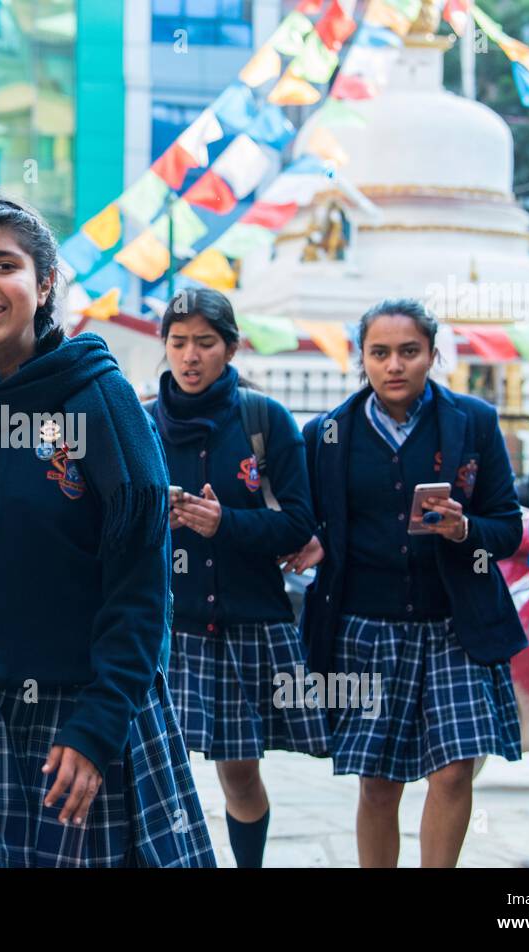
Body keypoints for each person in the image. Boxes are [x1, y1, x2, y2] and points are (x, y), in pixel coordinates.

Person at [0, 193, 215, 867]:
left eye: (5, 264)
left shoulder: (101, 402)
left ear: (46, 280)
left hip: (80, 727)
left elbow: (141, 589)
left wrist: (98, 727)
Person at [286, 298, 526, 868]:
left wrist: (467, 528)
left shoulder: (475, 423)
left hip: (456, 624)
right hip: (364, 629)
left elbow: (509, 527)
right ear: (361, 359)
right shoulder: (326, 434)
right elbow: (310, 525)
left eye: (410, 352)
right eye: (381, 353)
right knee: (377, 783)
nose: (395, 365)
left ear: (433, 356)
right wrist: (313, 541)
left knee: (455, 770)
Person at [146, 288, 327, 868]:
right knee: (150, 769)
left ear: (231, 347)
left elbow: (299, 523)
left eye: (205, 342)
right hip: (165, 626)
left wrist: (226, 523)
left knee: (240, 773)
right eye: (178, 343)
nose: (191, 356)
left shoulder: (264, 419)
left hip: (248, 621)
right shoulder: (142, 421)